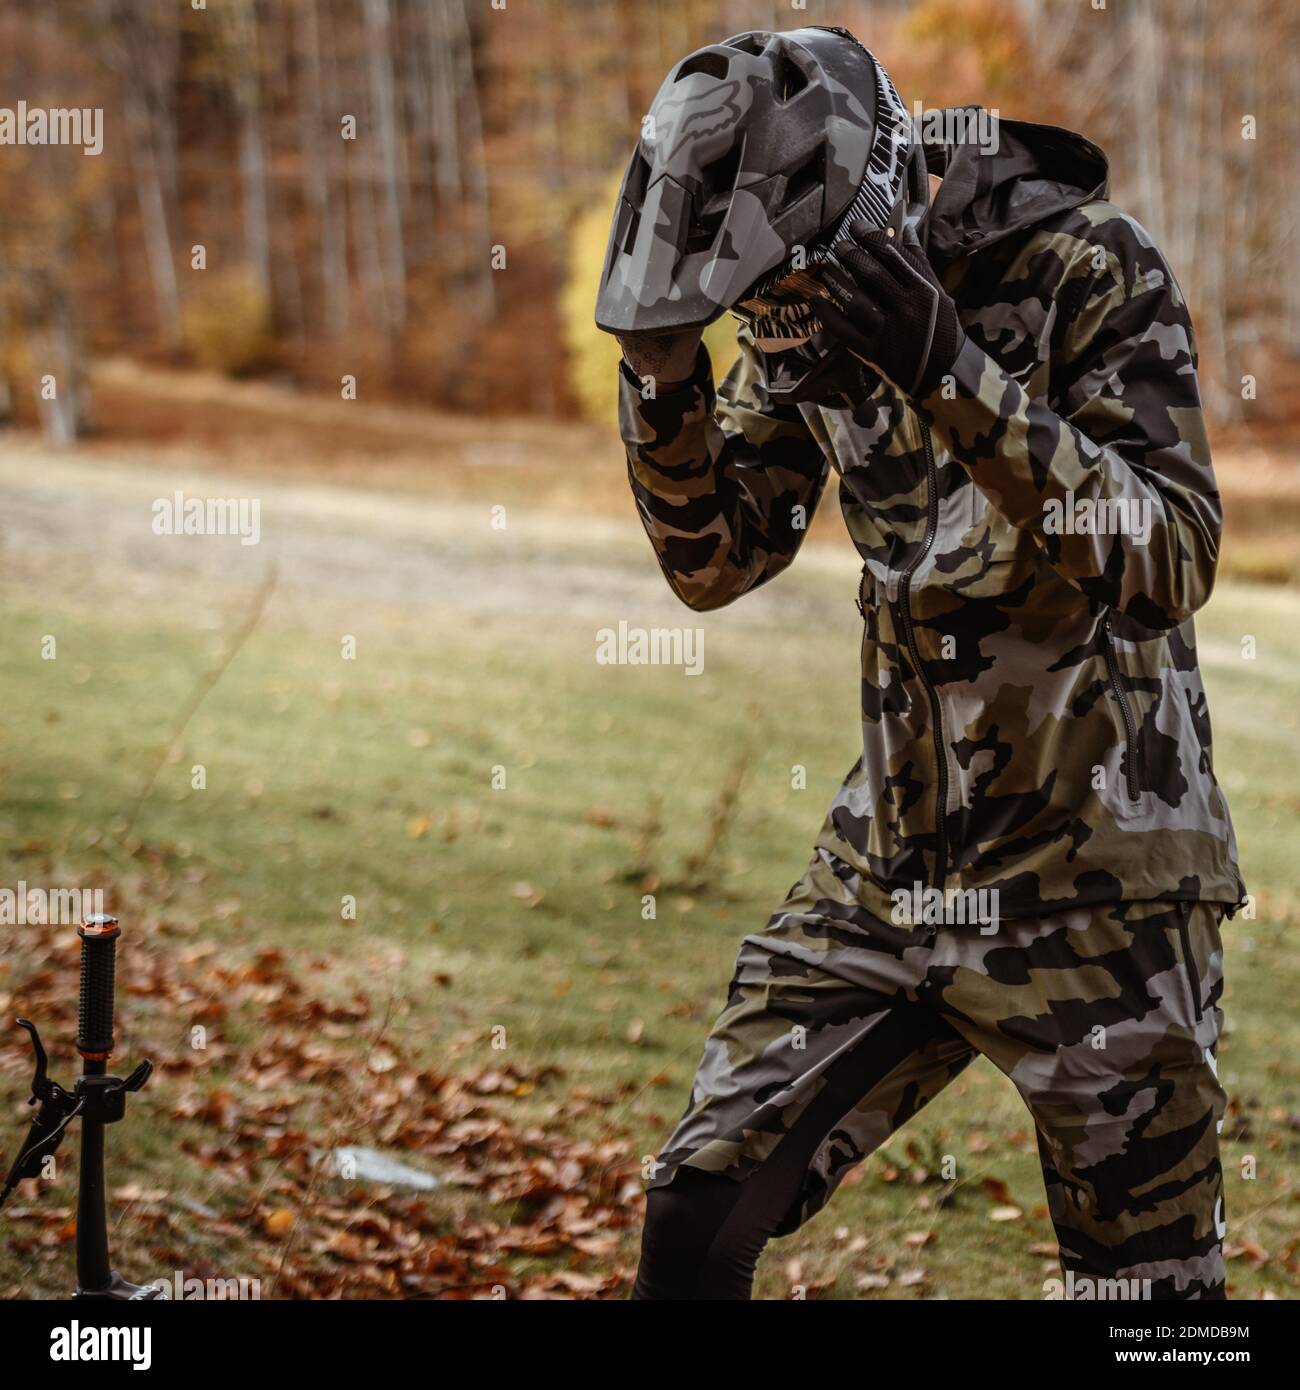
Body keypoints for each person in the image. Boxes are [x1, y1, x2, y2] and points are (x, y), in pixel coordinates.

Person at [595, 26, 1246, 1301]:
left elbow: (1167, 560)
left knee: (1149, 1301)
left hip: (1102, 879)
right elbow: (720, 557)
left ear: (872, 185)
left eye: (784, 294)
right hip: (890, 868)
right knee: (694, 1219)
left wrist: (947, 364)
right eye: (750, 306)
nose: (773, 328)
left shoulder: (1089, 267)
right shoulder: (801, 299)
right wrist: (660, 373)